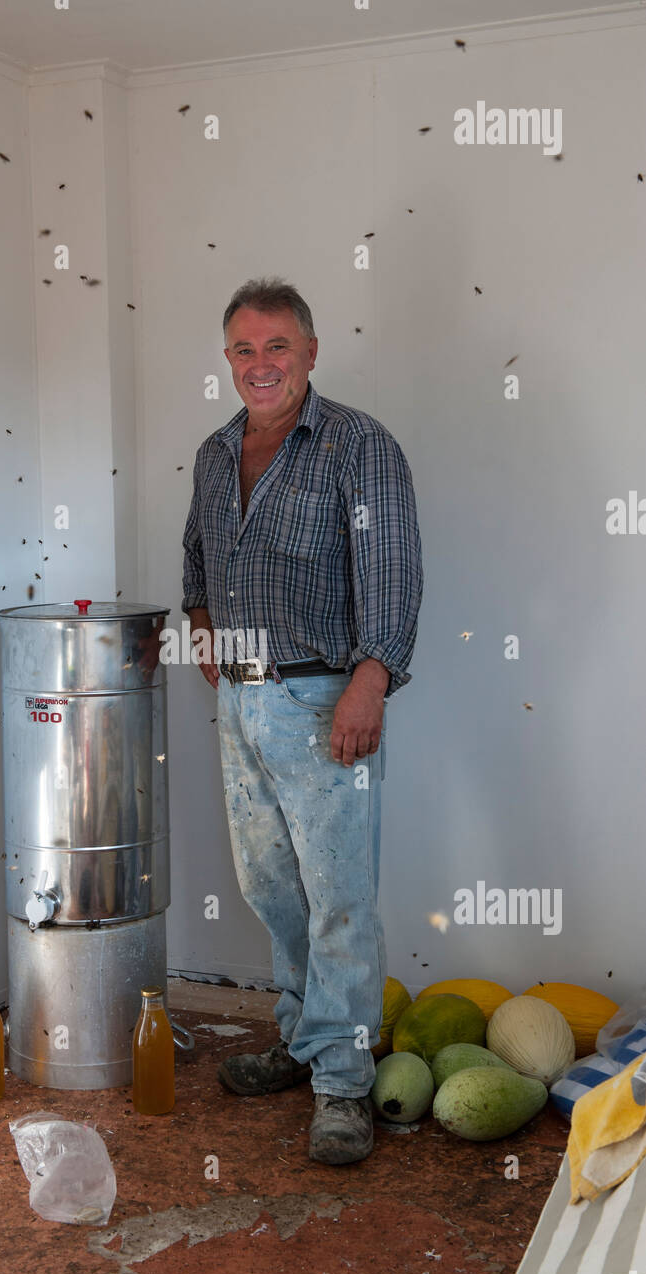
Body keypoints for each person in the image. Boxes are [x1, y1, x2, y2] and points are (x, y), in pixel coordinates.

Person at [180, 277, 423, 1165]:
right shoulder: (215, 453)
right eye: (243, 349)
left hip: (323, 700)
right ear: (229, 361)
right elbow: (196, 555)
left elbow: (392, 573)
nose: (259, 364)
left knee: (339, 900)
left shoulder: (357, 446)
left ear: (311, 353)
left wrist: (370, 682)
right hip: (239, 702)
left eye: (276, 347)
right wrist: (199, 623)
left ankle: (344, 1084)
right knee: (272, 890)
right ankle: (302, 1036)